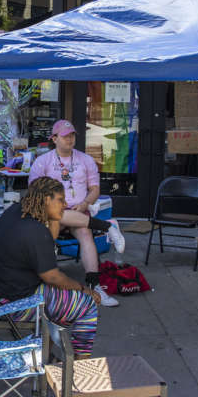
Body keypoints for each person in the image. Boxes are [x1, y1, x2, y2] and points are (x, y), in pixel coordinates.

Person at [0, 177, 101, 356]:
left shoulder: (17, 211)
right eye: (61, 200)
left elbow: (50, 241)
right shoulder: (34, 231)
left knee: (66, 299)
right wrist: (83, 289)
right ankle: (79, 364)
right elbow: (52, 277)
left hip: (1, 289)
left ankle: (46, 352)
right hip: (16, 303)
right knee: (87, 305)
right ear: (46, 200)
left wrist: (54, 217)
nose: (65, 204)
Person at [28, 119, 127, 307]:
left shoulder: (86, 160)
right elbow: (35, 191)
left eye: (72, 135)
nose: (70, 139)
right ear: (54, 138)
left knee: (85, 233)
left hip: (80, 212)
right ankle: (107, 226)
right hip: (51, 214)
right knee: (56, 219)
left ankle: (94, 285)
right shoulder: (43, 161)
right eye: (65, 136)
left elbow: (95, 189)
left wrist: (85, 203)